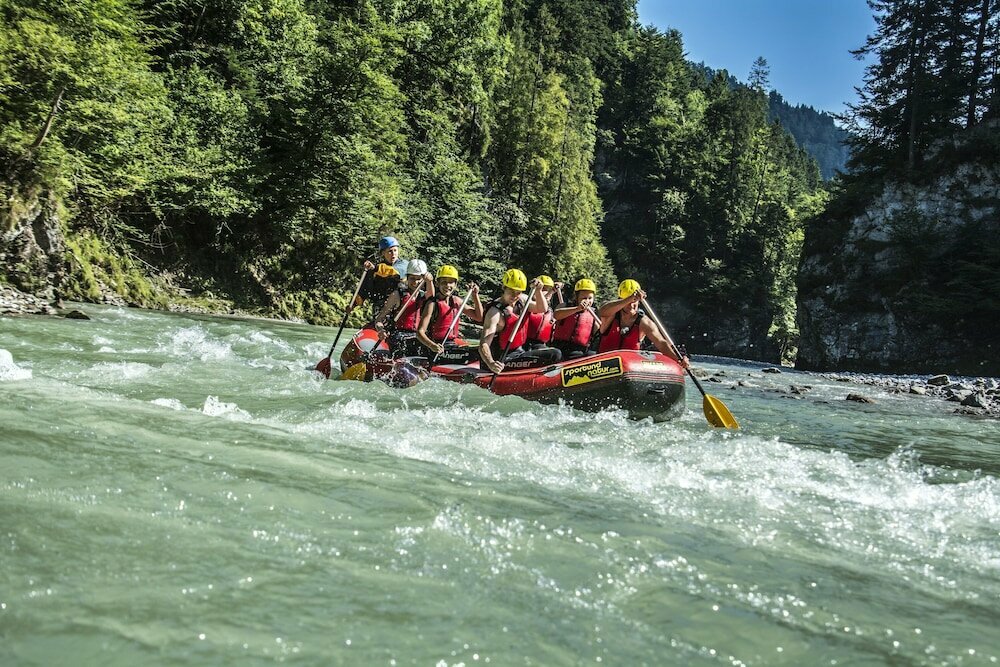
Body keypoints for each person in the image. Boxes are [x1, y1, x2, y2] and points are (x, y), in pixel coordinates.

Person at [479, 269, 562, 374]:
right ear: (503, 287)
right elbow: (484, 344)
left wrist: (538, 291)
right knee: (555, 354)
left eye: (517, 292)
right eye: (511, 291)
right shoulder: (495, 313)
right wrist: (491, 363)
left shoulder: (522, 300)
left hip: (519, 353)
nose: (514, 296)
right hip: (502, 360)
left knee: (555, 354)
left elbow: (542, 308)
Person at [597, 279, 689, 366]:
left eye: (634, 301)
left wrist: (678, 359)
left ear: (639, 301)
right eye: (628, 302)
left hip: (630, 366)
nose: (631, 305)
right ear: (621, 300)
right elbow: (602, 311)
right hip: (604, 364)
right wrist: (629, 298)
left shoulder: (644, 322)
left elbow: (661, 343)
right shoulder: (610, 314)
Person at [417, 265, 484, 364]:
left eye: (451, 282)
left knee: (480, 351)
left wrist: (475, 296)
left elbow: (479, 317)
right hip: (437, 346)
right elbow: (420, 332)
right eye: (444, 282)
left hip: (452, 344)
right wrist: (432, 346)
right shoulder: (432, 304)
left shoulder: (456, 301)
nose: (448, 285)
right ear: (437, 283)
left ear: (455, 285)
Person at [372, 259, 435, 358]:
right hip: (399, 337)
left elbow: (432, 296)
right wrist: (381, 330)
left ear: (423, 280)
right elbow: (379, 320)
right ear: (407, 277)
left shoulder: (423, 296)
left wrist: (430, 281)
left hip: (417, 337)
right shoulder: (397, 294)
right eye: (412, 278)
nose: (415, 282)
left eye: (418, 279)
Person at [355, 236, 410, 315]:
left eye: (395, 250)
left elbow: (393, 272)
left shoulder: (404, 265)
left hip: (399, 305)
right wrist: (354, 304)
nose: (393, 254)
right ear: (383, 253)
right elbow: (364, 289)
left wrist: (375, 268)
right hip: (381, 306)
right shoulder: (375, 270)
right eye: (390, 251)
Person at [551, 278, 601, 359]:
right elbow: (556, 315)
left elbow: (598, 333)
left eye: (590, 298)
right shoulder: (564, 306)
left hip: (579, 352)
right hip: (560, 348)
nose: (587, 301)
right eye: (584, 298)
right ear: (576, 296)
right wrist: (577, 308)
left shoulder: (594, 314)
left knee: (592, 355)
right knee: (557, 353)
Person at [523, 275, 562, 349]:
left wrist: (554, 289)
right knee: (556, 353)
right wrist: (551, 291)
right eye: (543, 289)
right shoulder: (527, 305)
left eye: (549, 289)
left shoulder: (550, 311)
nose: (546, 292)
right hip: (527, 344)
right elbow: (542, 301)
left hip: (542, 345)